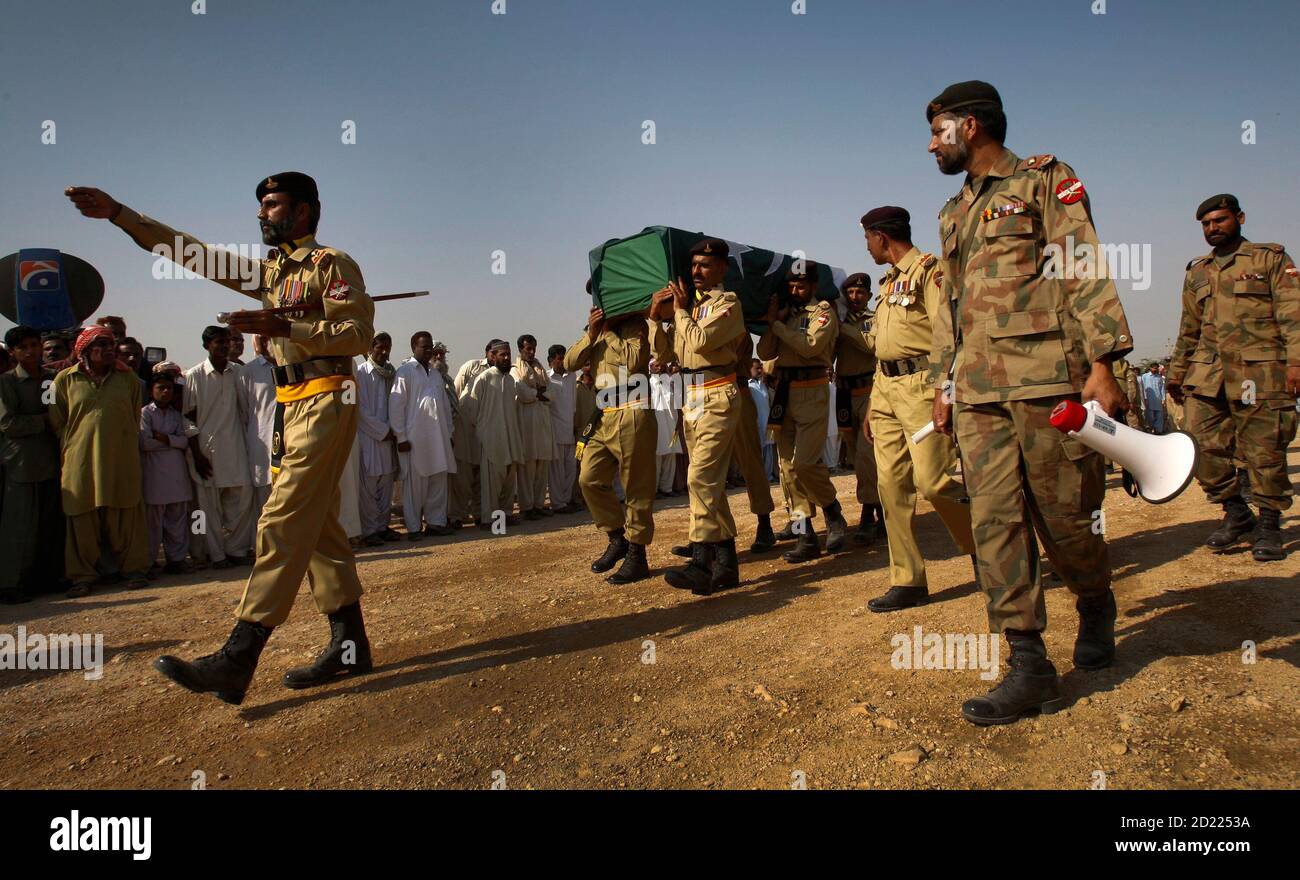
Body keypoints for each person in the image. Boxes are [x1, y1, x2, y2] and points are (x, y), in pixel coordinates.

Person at [67, 172, 375, 703]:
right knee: (319, 527)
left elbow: (358, 334)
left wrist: (284, 328)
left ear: (303, 212)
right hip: (290, 404)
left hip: (328, 395)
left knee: (281, 520)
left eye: (273, 205)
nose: (262, 214)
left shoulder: (331, 264)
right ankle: (350, 646)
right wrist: (120, 214)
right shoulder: (270, 274)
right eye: (260, 206)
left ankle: (239, 655)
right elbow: (194, 254)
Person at [926, 80, 1132, 725]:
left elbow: (1082, 263)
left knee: (1066, 518)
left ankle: (1095, 601)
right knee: (994, 522)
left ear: (973, 127)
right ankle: (1028, 663)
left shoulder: (1045, 180)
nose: (930, 143)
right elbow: (950, 307)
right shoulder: (952, 212)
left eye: (938, 129)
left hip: (1049, 379)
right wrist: (943, 382)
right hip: (979, 391)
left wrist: (1103, 364)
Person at [855, 206, 979, 611]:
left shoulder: (930, 270)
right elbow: (881, 348)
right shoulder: (887, 283)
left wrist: (946, 388)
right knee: (890, 487)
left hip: (923, 386)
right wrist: (875, 401)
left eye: (868, 238)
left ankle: (989, 549)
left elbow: (948, 333)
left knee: (933, 482)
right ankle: (907, 579)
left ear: (881, 236)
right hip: (887, 389)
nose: (867, 246)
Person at [1166, 193, 1300, 561]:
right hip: (1208, 374)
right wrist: (1177, 372)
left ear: (1239, 217)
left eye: (1220, 220)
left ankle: (1270, 525)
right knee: (1199, 444)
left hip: (1261, 370)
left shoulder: (1268, 259)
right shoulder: (1197, 272)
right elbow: (1188, 328)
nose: (1213, 228)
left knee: (1264, 451)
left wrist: (1296, 364)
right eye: (1207, 224)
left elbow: (1292, 313)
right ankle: (1237, 513)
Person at [653, 238, 748, 593]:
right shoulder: (688, 308)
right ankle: (727, 565)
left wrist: (678, 312)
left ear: (722, 268)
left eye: (705, 265)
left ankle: (701, 561)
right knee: (709, 485)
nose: (696, 272)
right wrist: (654, 319)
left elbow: (699, 343)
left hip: (717, 393)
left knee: (701, 479)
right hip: (691, 397)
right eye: (693, 265)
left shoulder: (728, 304)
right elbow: (664, 355)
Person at [565, 284, 671, 585]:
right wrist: (592, 334)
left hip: (632, 409)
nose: (599, 301)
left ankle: (638, 556)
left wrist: (609, 331)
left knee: (636, 488)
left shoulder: (634, 326)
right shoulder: (594, 331)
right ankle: (616, 537)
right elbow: (572, 362)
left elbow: (634, 360)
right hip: (603, 414)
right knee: (589, 478)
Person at [50, 325, 152, 596]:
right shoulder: (64, 380)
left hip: (121, 457)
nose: (108, 351)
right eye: (101, 346)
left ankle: (135, 569)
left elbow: (134, 416)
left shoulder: (127, 379)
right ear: (84, 350)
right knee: (81, 517)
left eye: (110, 345)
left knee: (126, 512)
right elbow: (58, 420)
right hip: (79, 460)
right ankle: (82, 576)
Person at [758, 261, 849, 562]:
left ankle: (833, 511)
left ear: (812, 286)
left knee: (807, 463)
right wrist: (775, 323)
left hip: (812, 390)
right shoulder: (785, 315)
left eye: (801, 286)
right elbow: (765, 353)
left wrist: (778, 326)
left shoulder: (822, 313)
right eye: (791, 286)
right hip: (785, 391)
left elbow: (810, 347)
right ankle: (804, 534)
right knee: (788, 468)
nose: (795, 290)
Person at [0, 326, 64, 603]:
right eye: (23, 347)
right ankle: (11, 583)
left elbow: (57, 413)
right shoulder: (6, 383)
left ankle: (46, 578)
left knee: (49, 523)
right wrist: (43, 423)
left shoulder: (50, 380)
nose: (31, 351)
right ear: (12, 352)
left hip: (50, 459)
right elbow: (7, 423)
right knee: (18, 526)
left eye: (35, 345)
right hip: (21, 462)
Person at [184, 325, 254, 569]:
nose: (225, 346)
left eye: (228, 341)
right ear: (207, 346)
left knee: (242, 502)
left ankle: (236, 549)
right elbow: (187, 418)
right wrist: (196, 453)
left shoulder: (239, 373)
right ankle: (216, 555)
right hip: (206, 452)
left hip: (235, 448)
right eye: (219, 342)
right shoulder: (194, 375)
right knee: (208, 509)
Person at [833, 271, 884, 544]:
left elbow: (873, 346)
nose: (854, 298)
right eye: (850, 293)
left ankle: (868, 513)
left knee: (867, 455)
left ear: (868, 296)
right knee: (856, 456)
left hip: (869, 392)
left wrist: (845, 330)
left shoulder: (873, 320)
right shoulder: (839, 323)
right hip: (844, 393)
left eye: (860, 293)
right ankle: (879, 510)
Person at [390, 331, 457, 539]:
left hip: (438, 438)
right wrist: (400, 437)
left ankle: (436, 523)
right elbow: (396, 406)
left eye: (431, 347)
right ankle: (413, 527)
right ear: (413, 346)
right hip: (414, 439)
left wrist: (449, 433)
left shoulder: (435, 374)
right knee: (415, 486)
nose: (428, 351)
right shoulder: (405, 371)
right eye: (424, 347)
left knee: (438, 480)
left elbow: (444, 407)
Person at [140, 372, 194, 575]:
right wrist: (172, 441)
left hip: (176, 473)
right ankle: (150, 561)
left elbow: (185, 441)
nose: (165, 392)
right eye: (161, 388)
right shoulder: (145, 413)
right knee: (153, 523)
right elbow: (145, 443)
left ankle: (177, 559)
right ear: (151, 391)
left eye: (169, 388)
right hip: (154, 474)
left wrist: (162, 437)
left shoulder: (176, 414)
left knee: (177, 520)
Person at [470, 339, 525, 529]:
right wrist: (484, 431)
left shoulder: (510, 380)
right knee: (492, 485)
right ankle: (490, 520)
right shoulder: (484, 378)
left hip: (510, 438)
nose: (506, 358)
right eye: (503, 355)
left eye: (508, 354)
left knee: (509, 483)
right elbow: (472, 410)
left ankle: (505, 517)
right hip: (492, 439)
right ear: (493, 357)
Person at [355, 332, 398, 544]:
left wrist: (394, 429)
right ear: (371, 347)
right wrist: (384, 431)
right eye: (380, 347)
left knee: (386, 485)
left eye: (387, 348)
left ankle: (383, 526)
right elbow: (360, 411)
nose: (384, 352)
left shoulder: (390, 373)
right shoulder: (361, 373)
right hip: (369, 438)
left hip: (388, 438)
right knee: (369, 487)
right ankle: (369, 530)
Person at [451, 341, 495, 525]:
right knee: (463, 478)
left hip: (486, 433)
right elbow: (456, 392)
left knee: (482, 478)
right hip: (466, 431)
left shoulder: (503, 374)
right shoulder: (472, 367)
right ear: (487, 353)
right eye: (494, 353)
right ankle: (456, 516)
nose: (497, 357)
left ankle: (479, 514)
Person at [512, 333, 555, 520]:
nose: (531, 352)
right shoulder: (515, 369)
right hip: (526, 423)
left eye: (533, 348)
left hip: (542, 421)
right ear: (521, 349)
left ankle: (539, 505)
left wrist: (536, 393)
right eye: (528, 349)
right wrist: (538, 393)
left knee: (541, 467)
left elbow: (551, 392)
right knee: (527, 468)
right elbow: (521, 392)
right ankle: (527, 507)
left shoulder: (540, 368)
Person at [240, 334, 278, 539]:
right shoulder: (249, 371)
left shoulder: (291, 366)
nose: (267, 343)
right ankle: (264, 545)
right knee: (264, 498)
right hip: (261, 444)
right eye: (262, 339)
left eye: (270, 338)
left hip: (290, 442)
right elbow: (245, 411)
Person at [430, 340, 466, 527]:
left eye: (442, 354)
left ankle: (448, 516)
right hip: (430, 437)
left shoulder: (447, 379)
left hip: (450, 435)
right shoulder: (425, 379)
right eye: (435, 353)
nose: (439, 357)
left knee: (449, 478)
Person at [546, 343, 579, 513]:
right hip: (554, 430)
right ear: (551, 361)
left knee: (570, 469)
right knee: (556, 471)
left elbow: (573, 403)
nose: (562, 362)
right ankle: (558, 503)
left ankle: (565, 501)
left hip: (569, 428)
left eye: (564, 358)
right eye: (559, 359)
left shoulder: (572, 376)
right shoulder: (546, 378)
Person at [649, 358, 681, 497]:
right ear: (650, 368)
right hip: (657, 423)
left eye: (661, 365)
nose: (659, 368)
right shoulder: (648, 383)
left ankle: (666, 488)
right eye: (656, 366)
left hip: (672, 423)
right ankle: (654, 490)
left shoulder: (670, 381)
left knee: (671, 455)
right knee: (657, 456)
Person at [1138, 364, 1166, 434]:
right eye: (1153, 368)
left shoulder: (1159, 377)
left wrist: (1163, 398)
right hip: (1149, 399)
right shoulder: (1145, 376)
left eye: (1156, 368)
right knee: (1150, 416)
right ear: (1150, 368)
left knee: (1159, 415)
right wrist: (1145, 398)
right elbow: (1143, 388)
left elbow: (1162, 388)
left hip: (1158, 399)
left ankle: (1158, 431)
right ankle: (1151, 428)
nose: (1155, 370)